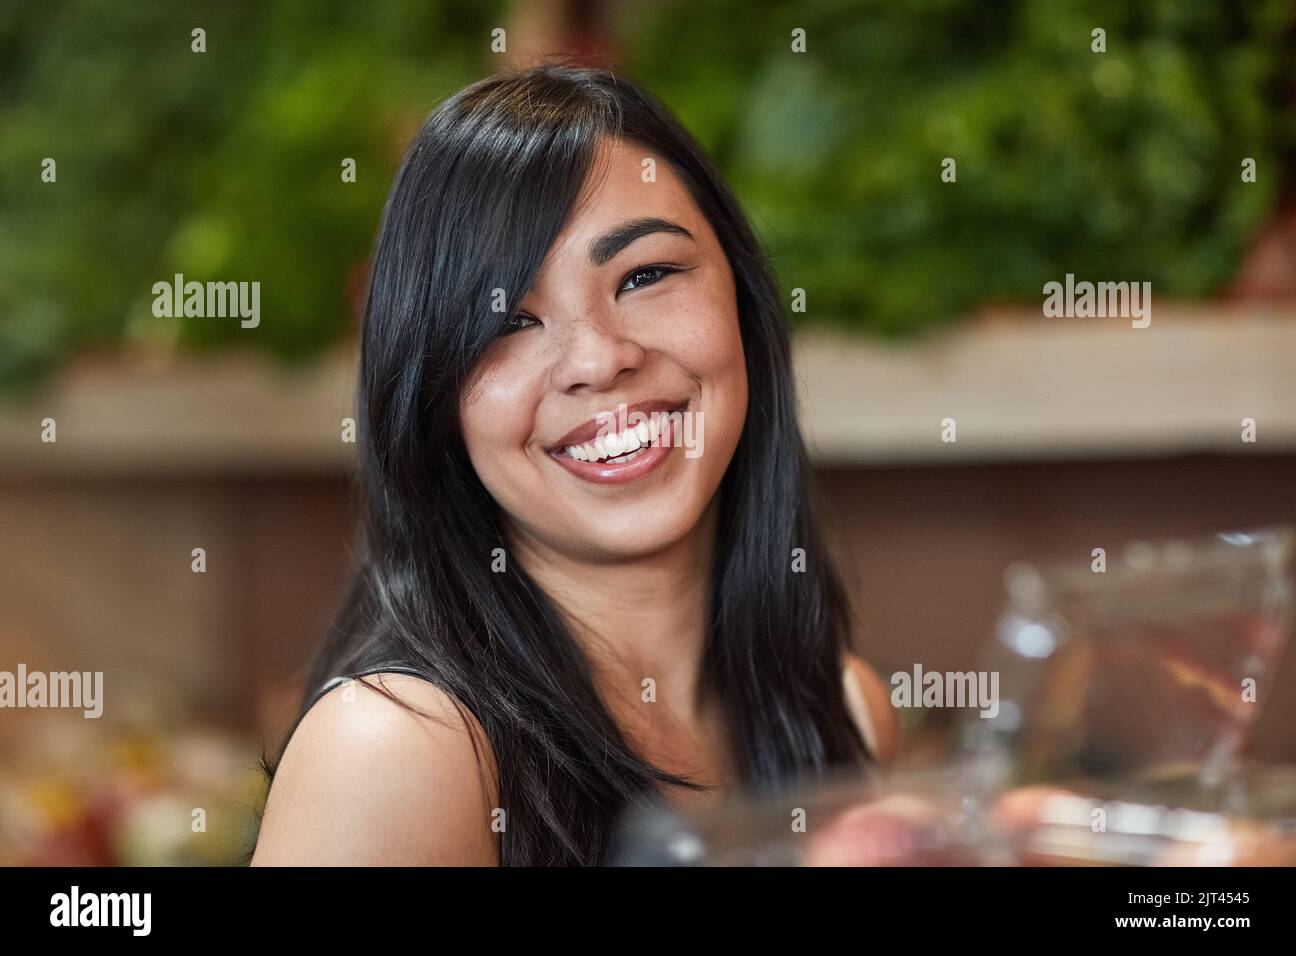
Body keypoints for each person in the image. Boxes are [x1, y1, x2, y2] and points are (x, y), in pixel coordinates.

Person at [251, 64, 897, 867]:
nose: (598, 358)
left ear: (744, 298)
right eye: (509, 320)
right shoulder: (395, 747)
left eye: (646, 275)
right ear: (432, 397)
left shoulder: (846, 712)